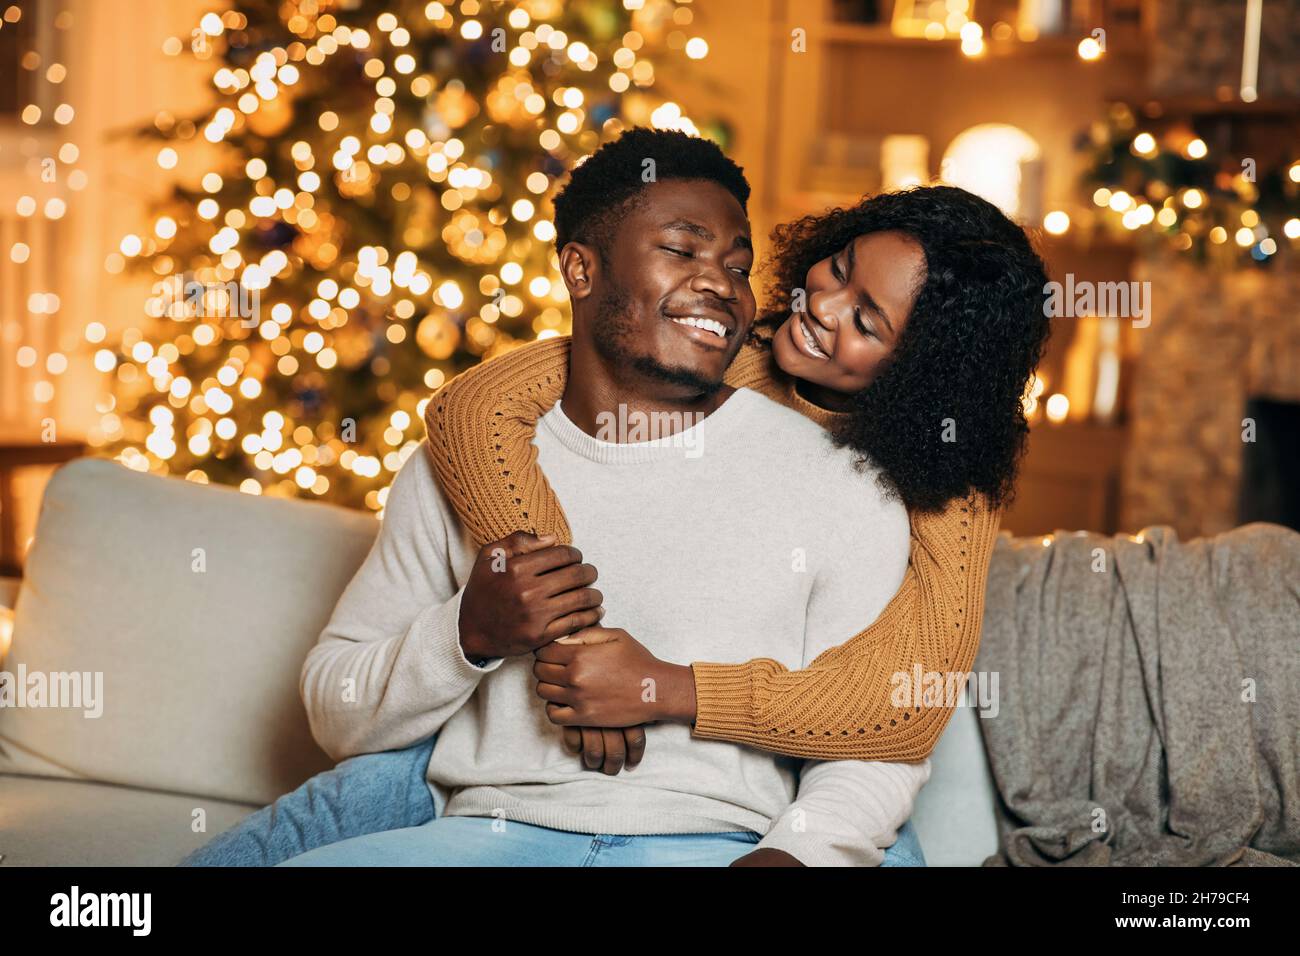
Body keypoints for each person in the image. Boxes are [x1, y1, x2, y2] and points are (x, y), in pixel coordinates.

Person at [184, 129, 1050, 867]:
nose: (818, 305)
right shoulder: (722, 346)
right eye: (836, 269)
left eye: (868, 322)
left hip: (745, 817)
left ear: (919, 372)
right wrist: (521, 624)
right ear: (580, 266)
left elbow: (893, 717)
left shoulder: (918, 491)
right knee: (340, 805)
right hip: (491, 807)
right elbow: (477, 405)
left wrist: (668, 693)